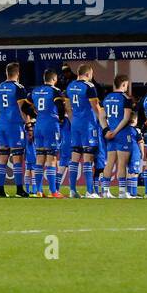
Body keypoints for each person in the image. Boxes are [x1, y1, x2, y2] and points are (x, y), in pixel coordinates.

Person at [0, 62, 30, 197]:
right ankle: (19, 189)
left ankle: (1, 190)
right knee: (17, 157)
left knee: (3, 157)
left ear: (6, 73)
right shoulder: (18, 88)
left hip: (2, 125)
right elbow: (22, 108)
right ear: (17, 73)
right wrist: (28, 123)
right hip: (14, 125)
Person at [65, 64, 102, 198]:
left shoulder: (70, 86)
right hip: (88, 124)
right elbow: (95, 106)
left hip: (75, 123)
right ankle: (89, 191)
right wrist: (103, 124)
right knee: (88, 156)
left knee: (75, 156)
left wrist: (73, 121)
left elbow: (68, 108)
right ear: (88, 74)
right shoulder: (89, 86)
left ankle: (72, 190)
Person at [30, 69, 65, 198]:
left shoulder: (35, 91)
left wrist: (36, 113)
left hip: (38, 125)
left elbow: (25, 107)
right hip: (51, 125)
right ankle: (53, 191)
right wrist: (60, 118)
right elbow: (60, 106)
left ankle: (38, 191)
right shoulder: (55, 91)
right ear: (54, 79)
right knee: (51, 159)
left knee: (39, 158)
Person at [101, 75, 134, 198]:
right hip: (122, 133)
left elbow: (101, 116)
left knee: (109, 162)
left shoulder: (107, 98)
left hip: (110, 134)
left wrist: (106, 131)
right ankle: (122, 192)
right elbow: (126, 118)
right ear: (124, 84)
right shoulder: (126, 98)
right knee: (122, 163)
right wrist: (115, 131)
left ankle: (105, 191)